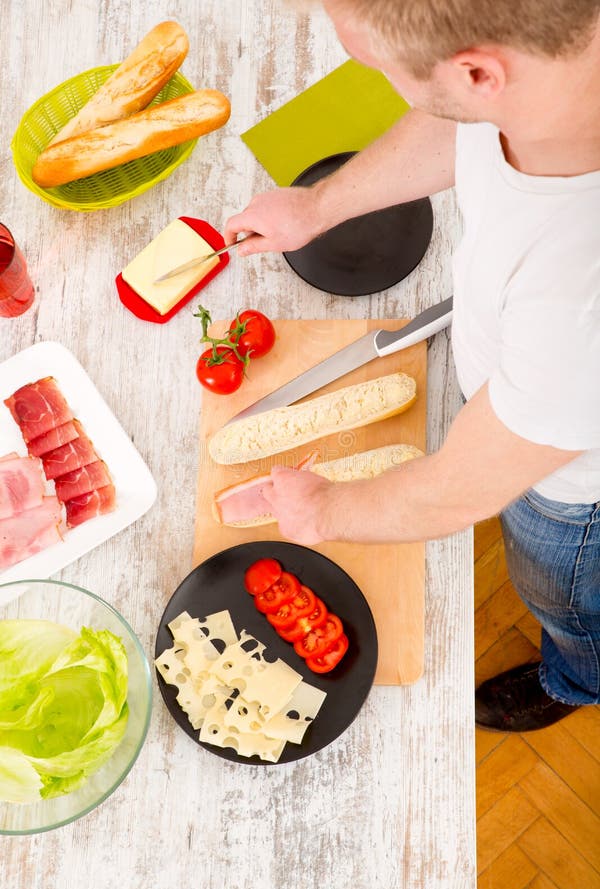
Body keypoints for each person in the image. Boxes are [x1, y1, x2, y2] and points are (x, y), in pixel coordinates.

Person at [224, 0, 600, 732]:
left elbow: (464, 489)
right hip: (536, 395)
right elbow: (457, 118)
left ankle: (577, 677)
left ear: (477, 71)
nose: (380, 82)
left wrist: (325, 510)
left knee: (568, 599)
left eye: (382, 70)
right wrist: (320, 205)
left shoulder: (576, 298)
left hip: (570, 493)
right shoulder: (544, 63)